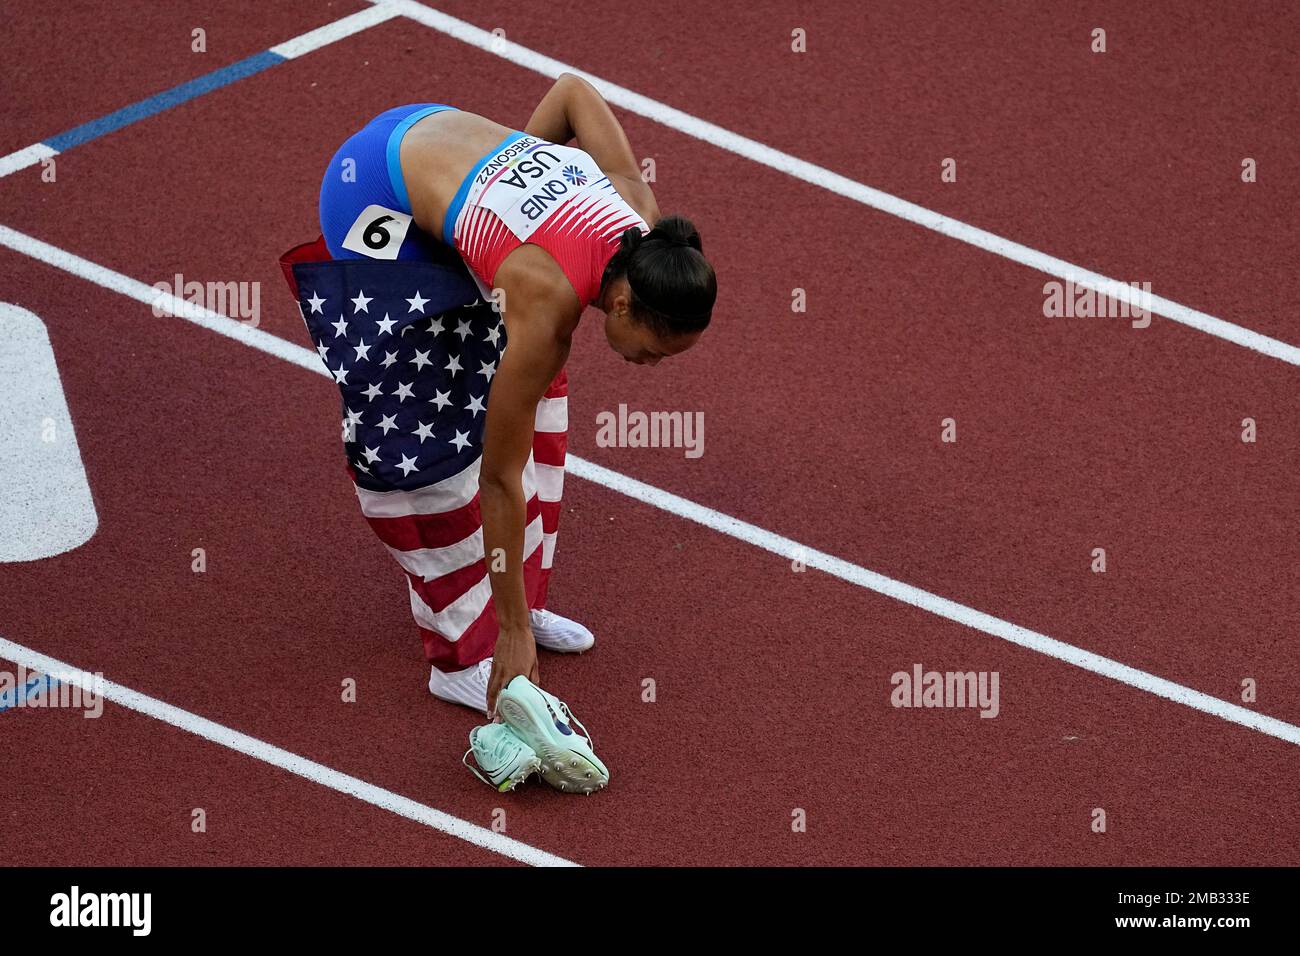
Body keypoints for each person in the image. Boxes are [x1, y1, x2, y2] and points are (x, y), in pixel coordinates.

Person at [311, 74, 717, 724]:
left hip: (429, 122)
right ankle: (459, 659)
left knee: (539, 395)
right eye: (652, 350)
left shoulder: (641, 220)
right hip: (371, 193)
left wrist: (507, 211)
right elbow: (500, 480)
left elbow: (573, 93)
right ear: (621, 302)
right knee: (443, 436)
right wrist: (511, 633)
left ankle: (523, 598)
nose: (649, 366)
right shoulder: (548, 298)